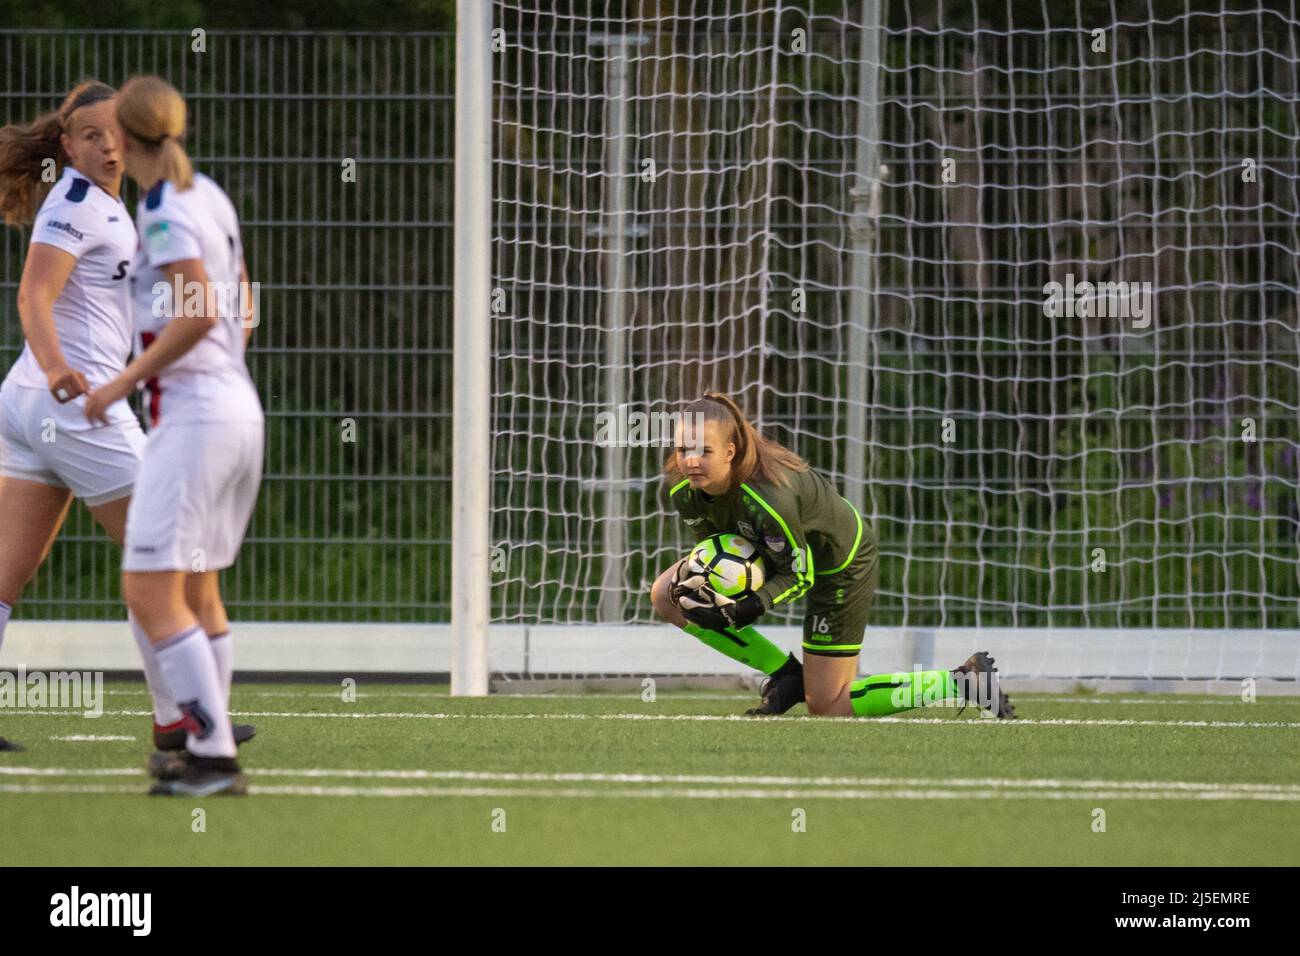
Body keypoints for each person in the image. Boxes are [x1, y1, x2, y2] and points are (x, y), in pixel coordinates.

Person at [83, 75, 264, 795]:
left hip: (196, 417)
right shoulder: (209, 194)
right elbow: (240, 301)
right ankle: (203, 746)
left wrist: (120, 383)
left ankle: (213, 755)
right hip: (234, 408)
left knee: (148, 589)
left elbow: (194, 313)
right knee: (195, 591)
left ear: (124, 139)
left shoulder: (160, 212)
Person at [650, 392, 1016, 719]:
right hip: (786, 554)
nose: (692, 460)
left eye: (704, 451)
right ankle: (785, 674)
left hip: (841, 562)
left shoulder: (767, 500)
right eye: (684, 450)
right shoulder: (685, 492)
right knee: (666, 593)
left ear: (730, 452)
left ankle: (963, 681)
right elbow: (716, 548)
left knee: (828, 705)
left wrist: (746, 607)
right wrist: (707, 589)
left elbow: (798, 575)